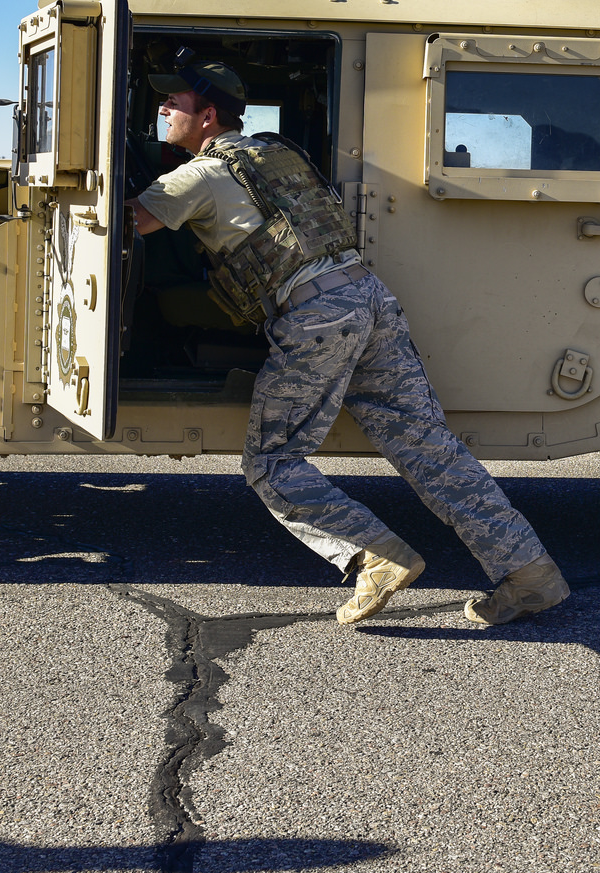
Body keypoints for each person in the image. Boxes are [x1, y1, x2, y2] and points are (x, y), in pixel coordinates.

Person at [129, 56, 569, 625]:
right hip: (368, 299)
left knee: (272, 462)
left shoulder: (198, 176)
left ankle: (377, 557)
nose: (163, 109)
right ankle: (531, 575)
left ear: (208, 115)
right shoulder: (275, 154)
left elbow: (124, 222)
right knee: (431, 450)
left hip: (314, 316)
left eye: (175, 102)